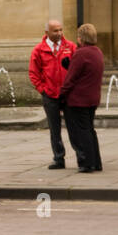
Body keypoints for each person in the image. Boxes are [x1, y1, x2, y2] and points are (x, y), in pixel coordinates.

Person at [28, 18, 76, 169]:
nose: (60, 33)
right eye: (56, 31)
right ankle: (59, 158)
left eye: (61, 30)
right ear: (47, 32)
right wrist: (43, 89)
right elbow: (33, 73)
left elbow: (77, 69)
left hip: (68, 94)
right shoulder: (38, 50)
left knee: (73, 127)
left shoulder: (71, 47)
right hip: (50, 95)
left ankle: (81, 157)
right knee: (54, 129)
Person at [58, 22, 103, 173]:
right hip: (92, 98)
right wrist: (69, 65)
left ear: (81, 38)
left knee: (81, 132)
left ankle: (86, 163)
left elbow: (70, 79)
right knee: (90, 130)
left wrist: (61, 96)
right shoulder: (97, 52)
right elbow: (84, 72)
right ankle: (96, 162)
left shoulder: (81, 53)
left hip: (79, 100)